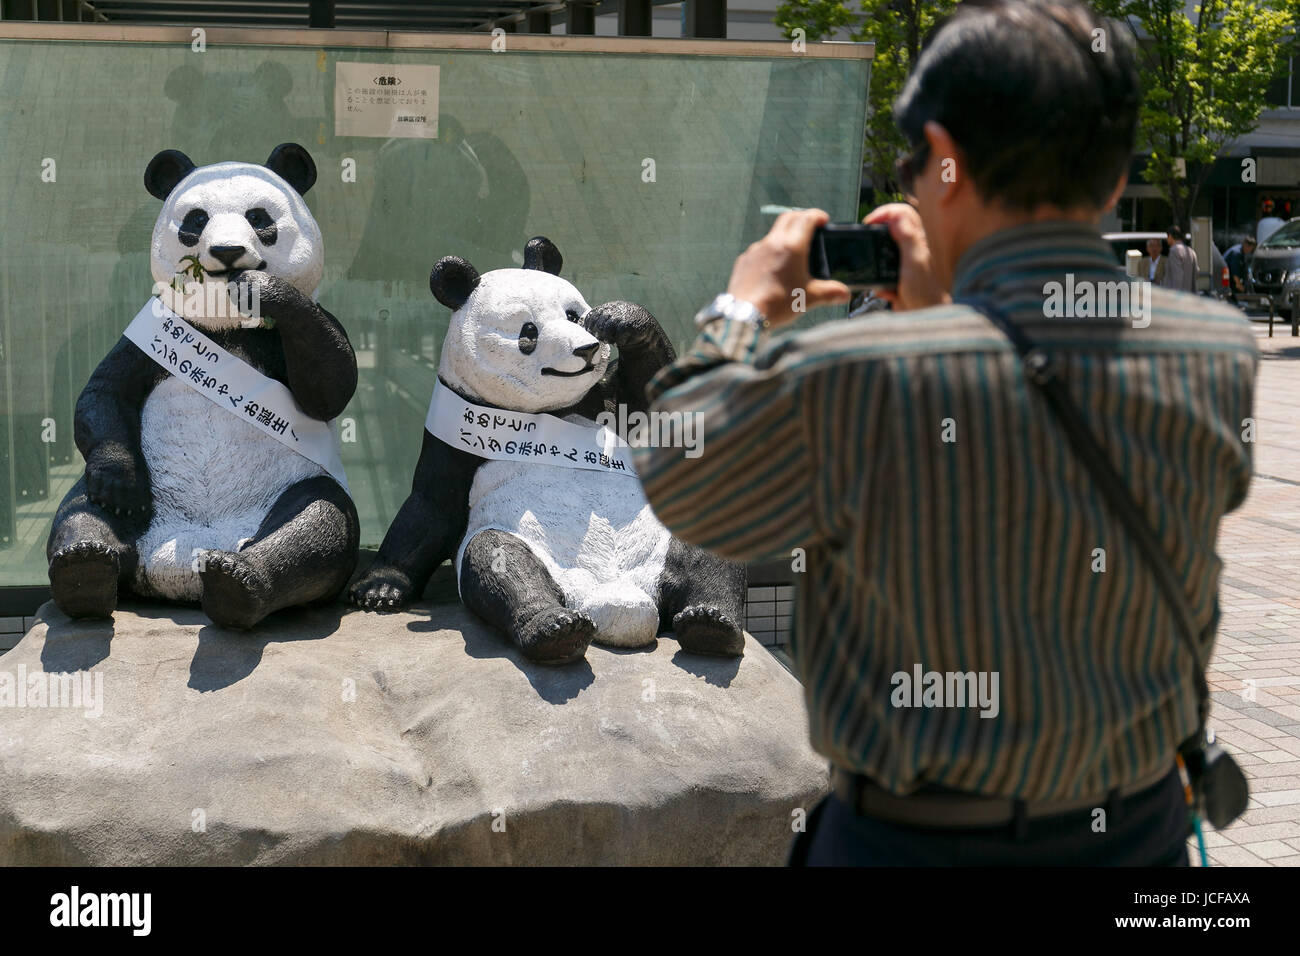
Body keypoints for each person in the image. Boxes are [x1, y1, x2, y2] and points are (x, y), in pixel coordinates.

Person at [631, 0, 1258, 866]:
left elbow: (683, 472)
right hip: (1142, 838)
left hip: (911, 844)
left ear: (946, 162)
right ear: (1115, 180)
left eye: (911, 160)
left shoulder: (858, 375)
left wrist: (742, 305)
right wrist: (941, 319)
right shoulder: (1217, 355)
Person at [1160, 224, 1199, 292]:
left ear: (1170, 236)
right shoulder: (1191, 251)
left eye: (1167, 237)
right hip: (1189, 294)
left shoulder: (1174, 251)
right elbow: (1196, 272)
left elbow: (1177, 275)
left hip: (1177, 296)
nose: (1167, 239)